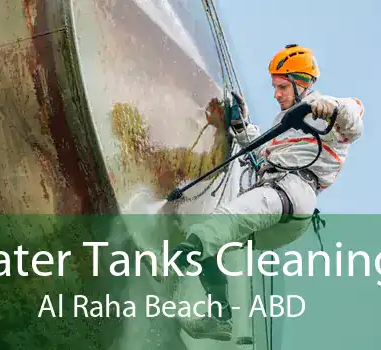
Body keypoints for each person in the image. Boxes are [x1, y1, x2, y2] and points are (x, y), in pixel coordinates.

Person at [156, 44, 365, 341]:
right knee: (215, 243)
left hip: (291, 192)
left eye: (282, 87)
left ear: (301, 83)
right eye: (274, 87)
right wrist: (240, 125)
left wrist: (331, 108)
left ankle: (170, 263)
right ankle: (220, 317)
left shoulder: (325, 110)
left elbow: (355, 119)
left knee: (221, 222)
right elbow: (262, 151)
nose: (276, 94)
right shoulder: (286, 122)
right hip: (282, 206)